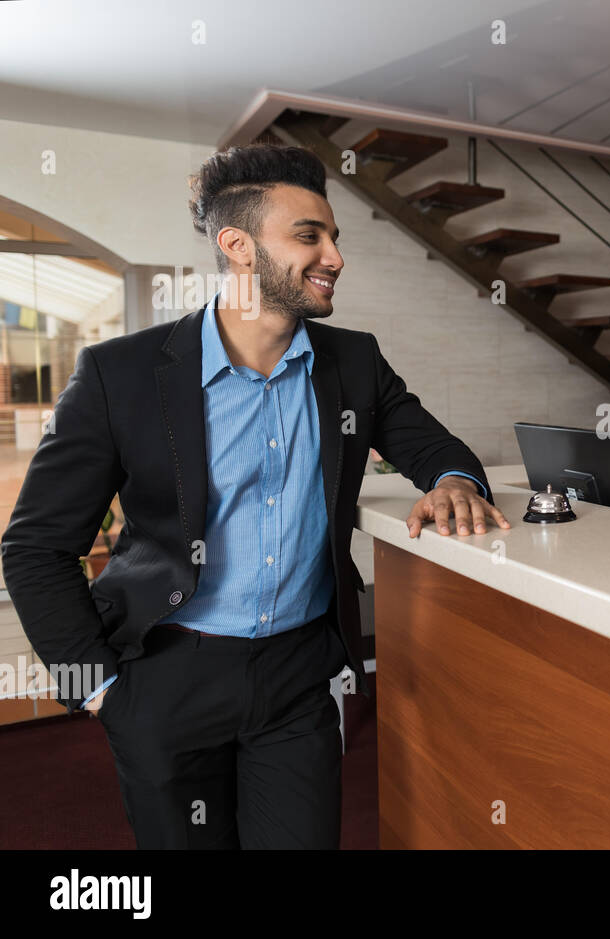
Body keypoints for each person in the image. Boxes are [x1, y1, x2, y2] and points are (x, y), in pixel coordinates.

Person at [0, 143, 511, 848]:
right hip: (164, 675)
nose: (335, 256)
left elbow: (438, 450)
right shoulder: (122, 375)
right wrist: (102, 692)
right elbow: (36, 546)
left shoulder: (353, 361)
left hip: (298, 679)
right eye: (310, 235)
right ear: (237, 246)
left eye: (335, 237)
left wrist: (455, 482)